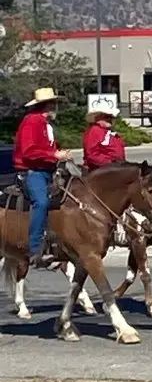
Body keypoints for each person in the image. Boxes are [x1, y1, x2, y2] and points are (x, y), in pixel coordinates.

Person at [14, 87, 73, 267]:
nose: (55, 107)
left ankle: (58, 241)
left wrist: (58, 153)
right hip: (32, 171)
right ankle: (35, 248)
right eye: (53, 103)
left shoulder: (45, 124)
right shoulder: (32, 122)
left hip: (46, 170)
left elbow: (45, 148)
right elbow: (28, 151)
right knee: (41, 202)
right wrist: (54, 155)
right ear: (46, 105)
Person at [82, 105, 126, 172]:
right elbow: (92, 154)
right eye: (107, 117)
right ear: (97, 118)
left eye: (111, 117)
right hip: (100, 171)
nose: (110, 119)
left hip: (114, 169)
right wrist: (111, 163)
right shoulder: (95, 131)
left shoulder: (109, 132)